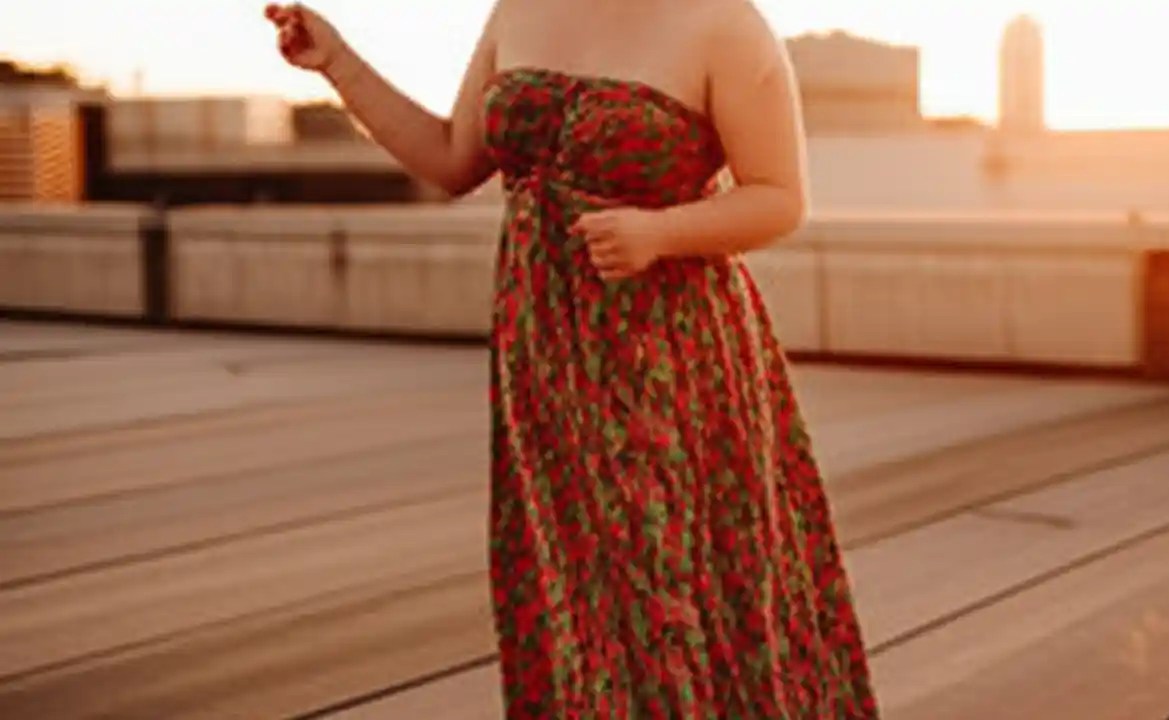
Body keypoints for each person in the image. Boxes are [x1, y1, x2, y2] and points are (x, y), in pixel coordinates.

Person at [265, 1, 880, 716]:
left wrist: (661, 232)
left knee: (665, 593)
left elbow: (780, 198)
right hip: (546, 367)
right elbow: (450, 159)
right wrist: (338, 64)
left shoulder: (721, 20)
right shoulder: (519, 8)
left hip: (670, 360)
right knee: (583, 598)